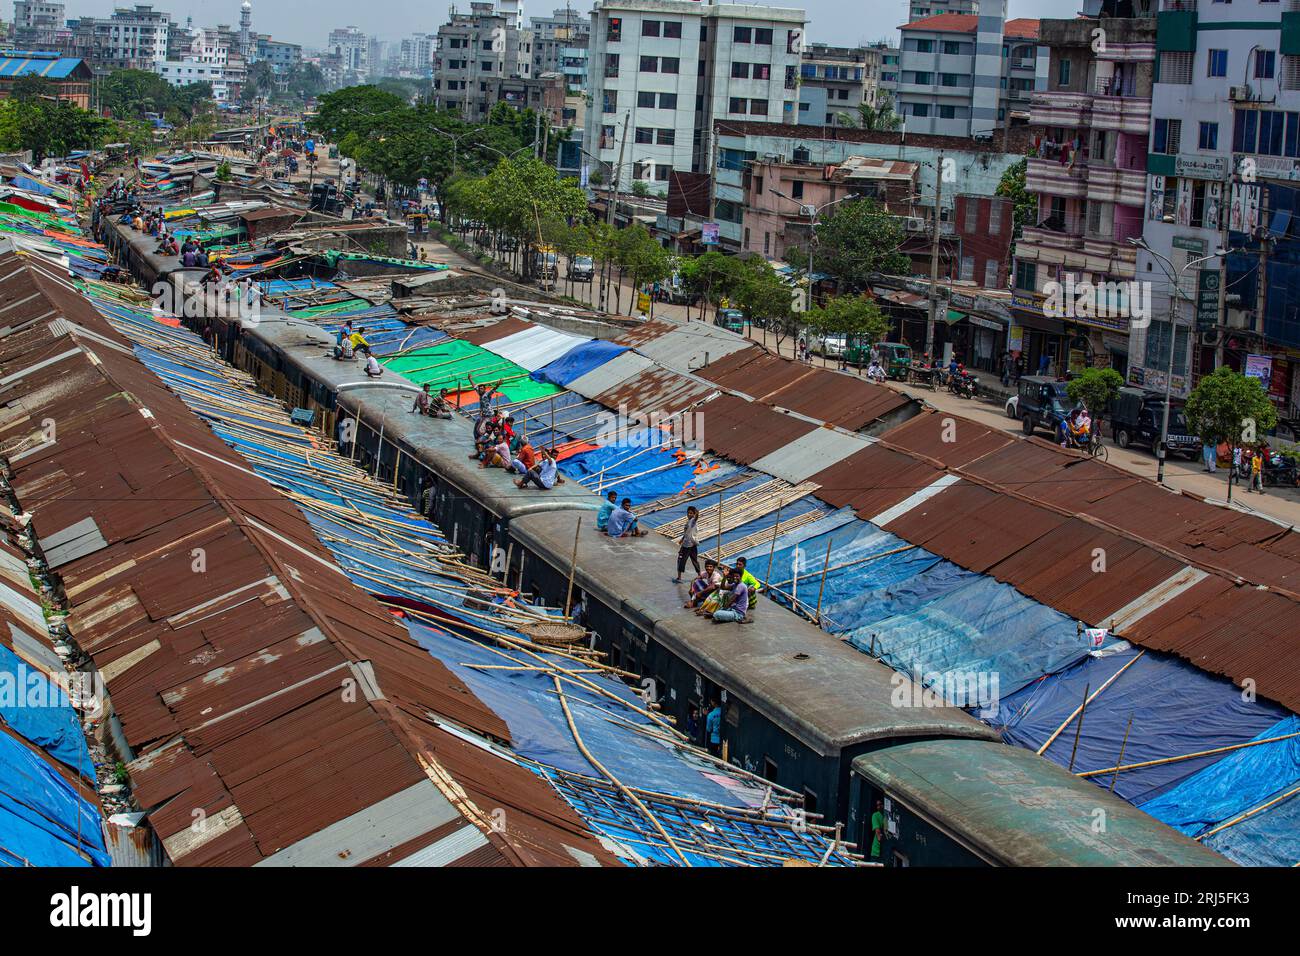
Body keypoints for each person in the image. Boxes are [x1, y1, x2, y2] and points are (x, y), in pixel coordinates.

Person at [673, 505, 700, 581]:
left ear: (694, 514)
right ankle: (699, 575)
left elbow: (696, 518)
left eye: (691, 513)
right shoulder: (688, 522)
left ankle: (679, 577)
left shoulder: (692, 521)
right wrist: (682, 539)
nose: (689, 514)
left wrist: (697, 514)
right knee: (692, 560)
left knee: (682, 560)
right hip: (688, 543)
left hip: (689, 545)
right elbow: (687, 533)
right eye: (688, 513)